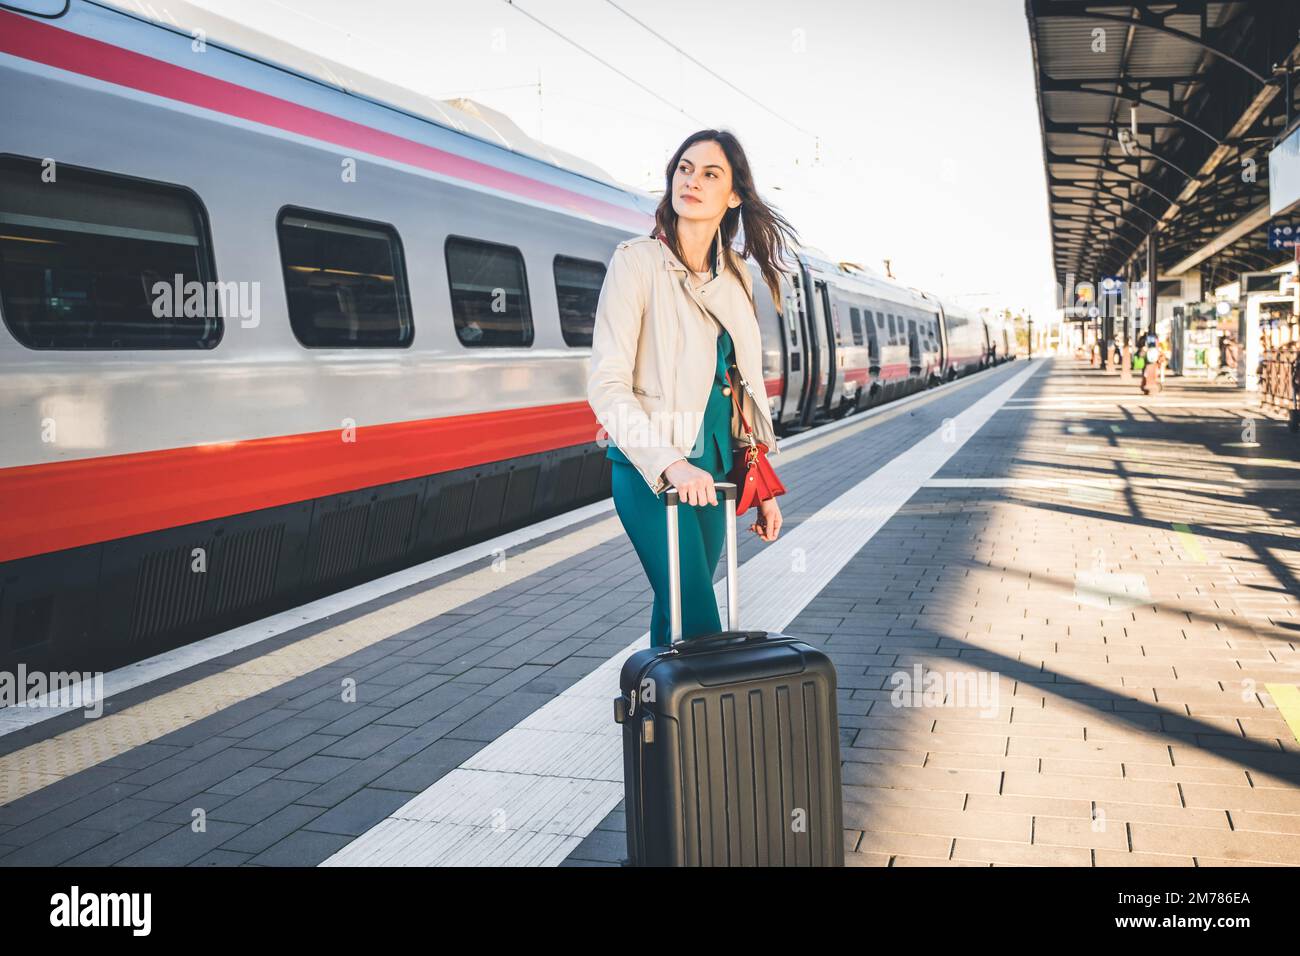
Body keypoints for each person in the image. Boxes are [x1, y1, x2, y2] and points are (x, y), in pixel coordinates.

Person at [587, 130, 797, 647]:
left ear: (733, 196)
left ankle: (657, 722)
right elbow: (607, 385)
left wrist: (760, 482)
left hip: (716, 474)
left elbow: (738, 387)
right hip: (652, 472)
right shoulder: (635, 263)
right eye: (685, 168)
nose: (692, 181)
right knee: (699, 618)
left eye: (710, 174)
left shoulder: (737, 278)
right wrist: (670, 464)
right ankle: (722, 727)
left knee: (675, 613)